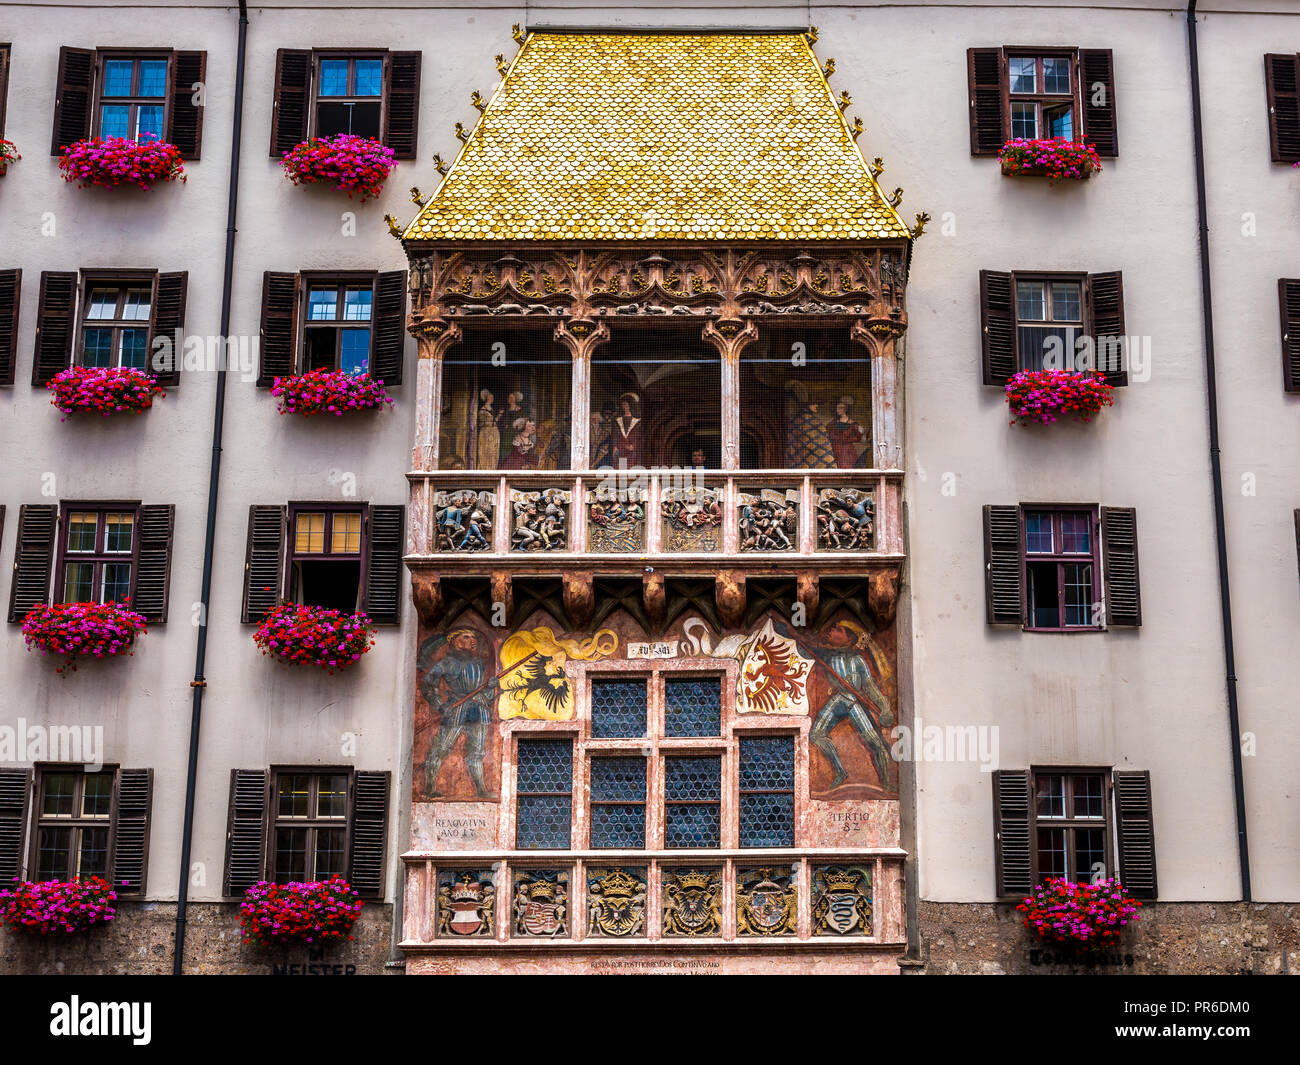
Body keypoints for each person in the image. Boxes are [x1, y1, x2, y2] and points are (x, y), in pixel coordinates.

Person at [809, 623, 894, 791]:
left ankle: (886, 784)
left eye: (837, 630)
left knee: (877, 744)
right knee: (816, 734)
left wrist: (885, 708)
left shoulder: (858, 660)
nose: (831, 631)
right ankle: (840, 771)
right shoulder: (828, 656)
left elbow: (870, 687)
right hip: (839, 698)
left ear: (849, 638)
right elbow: (806, 648)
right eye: (831, 629)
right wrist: (790, 633)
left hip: (854, 701)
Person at [418, 629, 497, 798]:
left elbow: (485, 694)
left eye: (474, 637)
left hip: (479, 708)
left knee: (477, 751)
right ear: (455, 640)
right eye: (466, 637)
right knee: (442, 748)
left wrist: (489, 687)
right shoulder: (447, 663)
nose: (472, 640)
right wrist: (440, 705)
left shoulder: (479, 663)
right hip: (456, 708)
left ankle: (481, 789)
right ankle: (430, 788)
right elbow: (427, 685)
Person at [784, 381, 835, 467]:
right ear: (807, 405)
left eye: (817, 404)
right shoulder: (814, 423)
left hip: (808, 462)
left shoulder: (797, 421)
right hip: (805, 461)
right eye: (814, 403)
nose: (816, 406)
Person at [827, 395, 865, 468]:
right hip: (835, 450)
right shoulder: (833, 423)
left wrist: (845, 439)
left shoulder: (853, 424)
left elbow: (858, 438)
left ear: (846, 409)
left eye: (840, 408)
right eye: (837, 408)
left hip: (847, 451)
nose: (837, 410)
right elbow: (830, 435)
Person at [611, 392, 643, 468]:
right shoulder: (617, 421)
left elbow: (640, 437)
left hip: (633, 453)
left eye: (627, 404)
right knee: (622, 471)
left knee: (632, 469)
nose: (625, 406)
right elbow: (615, 436)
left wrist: (634, 446)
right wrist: (615, 446)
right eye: (623, 404)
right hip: (621, 451)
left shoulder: (638, 422)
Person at [475, 390, 500, 470]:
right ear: (486, 398)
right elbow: (484, 423)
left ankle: (492, 468)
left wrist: (499, 415)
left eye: (492, 397)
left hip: (494, 432)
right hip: (486, 433)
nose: (492, 398)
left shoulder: (491, 409)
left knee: (493, 452)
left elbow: (494, 421)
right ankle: (485, 468)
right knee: (487, 451)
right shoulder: (483, 410)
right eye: (490, 397)